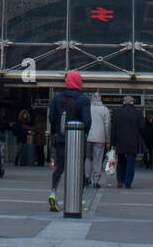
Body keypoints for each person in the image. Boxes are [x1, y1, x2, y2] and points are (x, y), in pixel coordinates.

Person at [47, 71, 92, 210]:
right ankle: (80, 200)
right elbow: (87, 122)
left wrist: (58, 131)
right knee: (79, 169)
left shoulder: (57, 97)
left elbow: (51, 118)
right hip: (78, 140)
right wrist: (84, 134)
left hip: (61, 138)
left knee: (59, 167)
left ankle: (53, 193)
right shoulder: (83, 99)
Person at [110, 95, 145, 189]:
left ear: (123, 102)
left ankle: (120, 181)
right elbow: (142, 127)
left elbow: (113, 129)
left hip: (120, 141)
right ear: (132, 102)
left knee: (121, 161)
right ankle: (128, 183)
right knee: (131, 162)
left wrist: (112, 142)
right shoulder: (138, 113)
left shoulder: (117, 113)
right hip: (133, 141)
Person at [85, 92, 111, 187]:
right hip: (100, 138)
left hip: (88, 136)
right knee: (98, 159)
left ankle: (87, 177)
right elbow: (107, 126)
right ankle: (96, 180)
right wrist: (108, 140)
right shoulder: (105, 110)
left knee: (88, 157)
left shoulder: (88, 108)